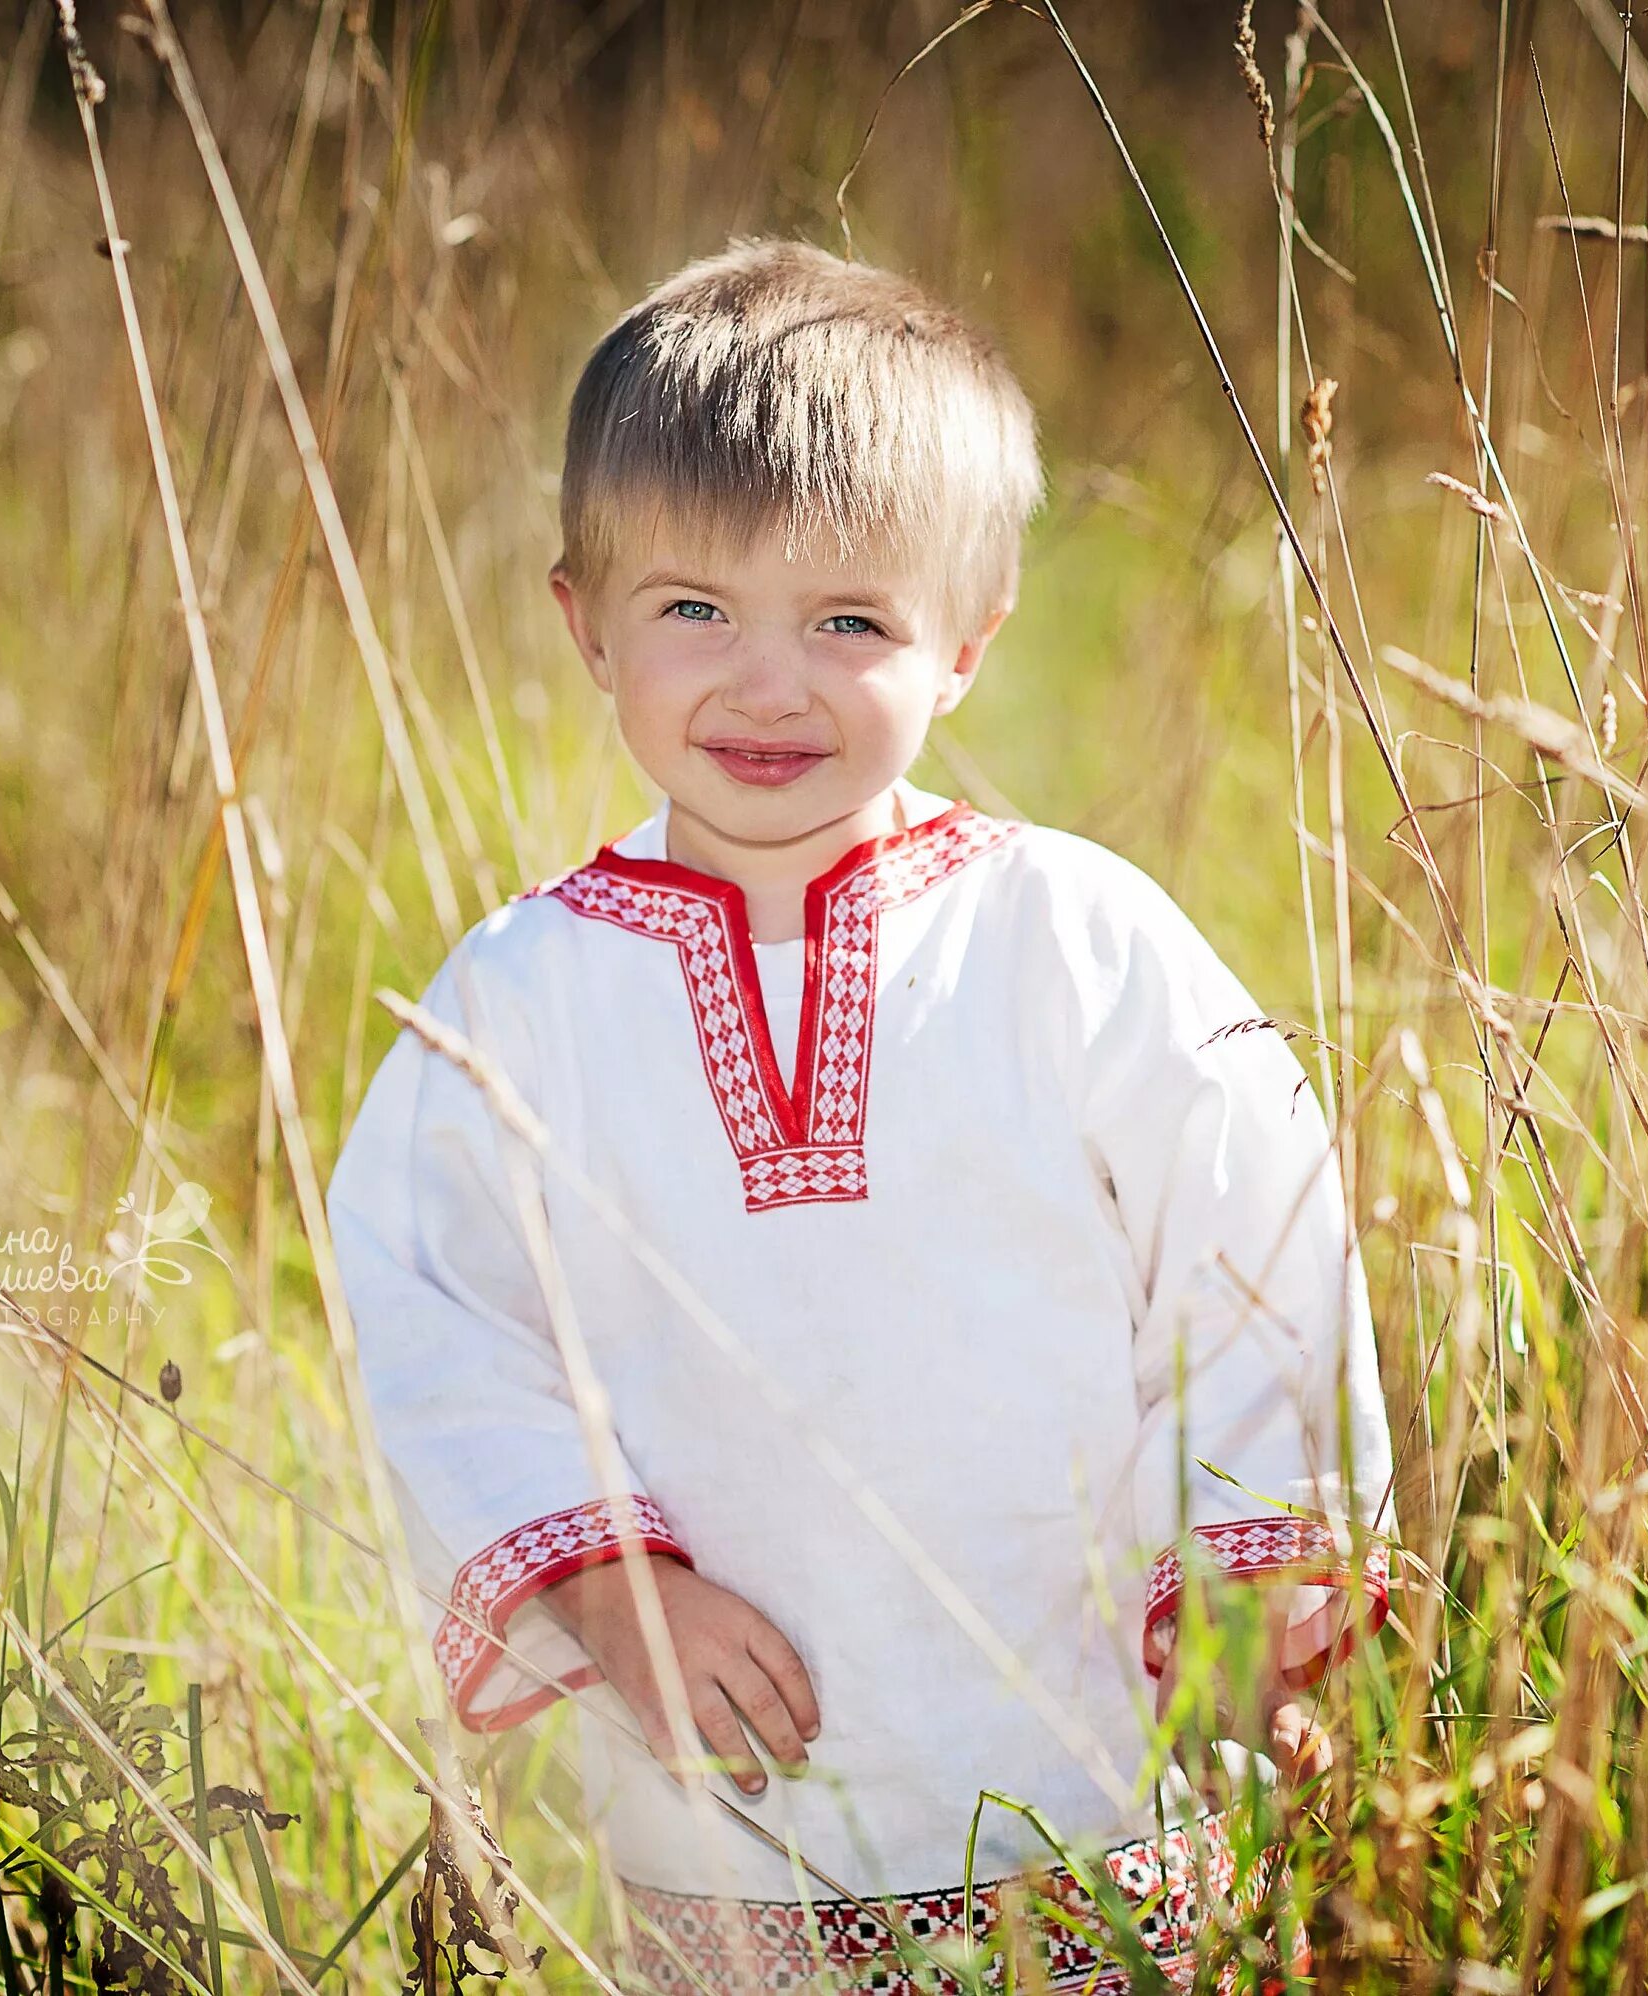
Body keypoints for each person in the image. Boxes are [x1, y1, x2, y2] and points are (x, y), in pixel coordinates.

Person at [323, 237, 1396, 1993]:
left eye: (848, 620)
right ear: (581, 617)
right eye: (694, 610)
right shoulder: (517, 1003)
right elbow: (437, 1326)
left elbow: (1255, 1245)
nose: (769, 684)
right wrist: (605, 1586)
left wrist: (1237, 1595)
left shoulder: (1076, 939)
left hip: (1093, 1793)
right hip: (733, 1834)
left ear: (965, 644)